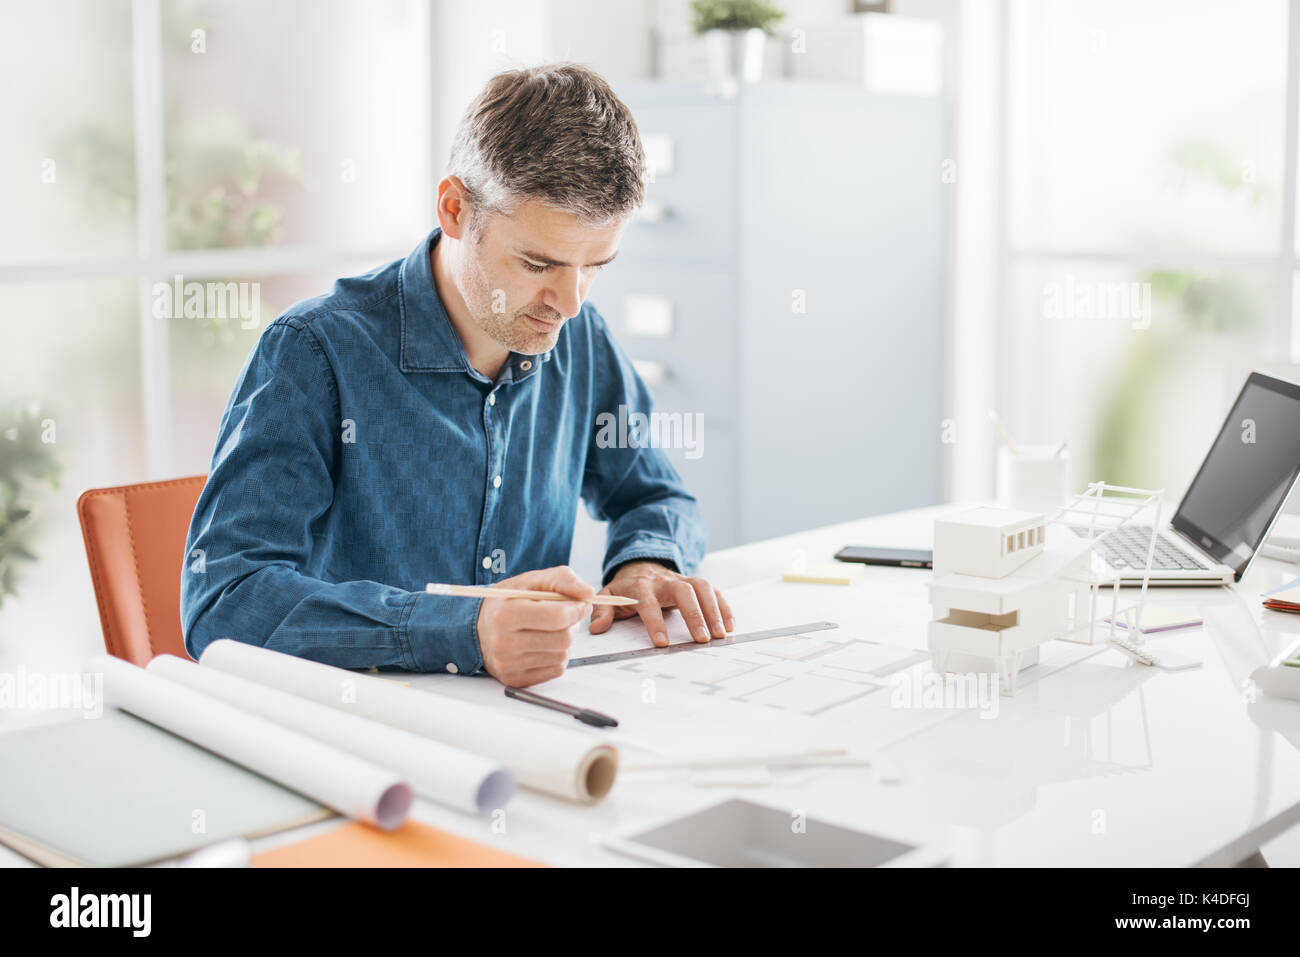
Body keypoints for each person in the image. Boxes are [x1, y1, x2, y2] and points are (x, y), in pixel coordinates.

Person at [180, 63, 733, 687]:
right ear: (454, 208)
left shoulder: (580, 337)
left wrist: (648, 561)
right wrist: (461, 629)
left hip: (519, 725)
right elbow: (223, 603)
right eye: (537, 262)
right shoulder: (312, 353)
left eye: (596, 266)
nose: (569, 302)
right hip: (353, 732)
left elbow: (652, 493)